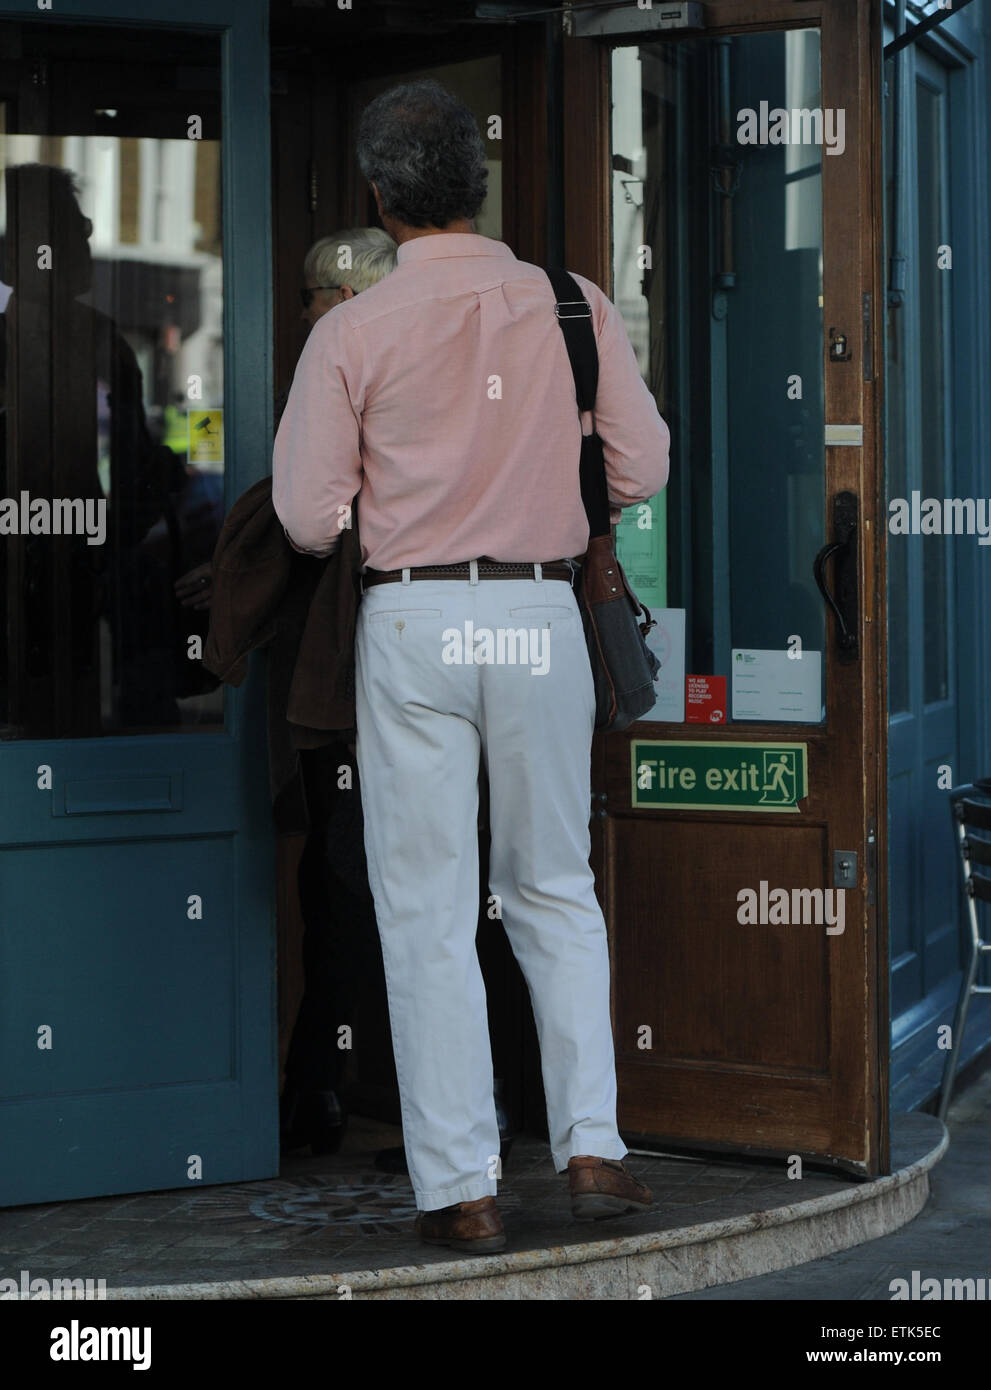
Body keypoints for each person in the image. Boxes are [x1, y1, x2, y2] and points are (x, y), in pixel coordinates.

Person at [272, 80, 671, 1254]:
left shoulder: (352, 329)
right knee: (554, 886)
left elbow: (303, 516)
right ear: (477, 184)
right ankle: (592, 1146)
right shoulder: (570, 302)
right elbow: (639, 466)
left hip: (416, 621)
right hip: (541, 618)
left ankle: (465, 1186)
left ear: (381, 198)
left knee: (428, 909)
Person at [181, 227, 397, 1155]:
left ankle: (332, 1087)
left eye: (312, 295)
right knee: (379, 880)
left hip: (363, 680)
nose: (304, 313)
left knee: (348, 881)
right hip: (433, 676)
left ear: (341, 300)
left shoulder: (345, 363)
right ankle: (338, 1084)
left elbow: (308, 525)